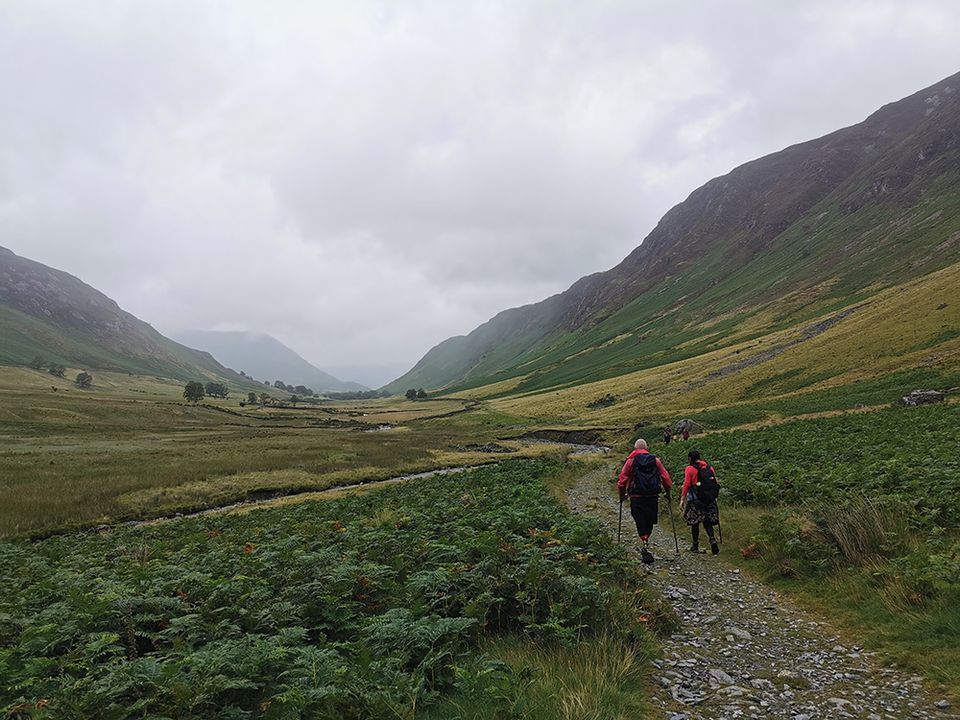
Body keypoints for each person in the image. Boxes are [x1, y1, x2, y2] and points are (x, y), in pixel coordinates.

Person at [618, 438, 672, 564]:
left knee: (639, 518)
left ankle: (644, 539)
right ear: (646, 448)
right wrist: (668, 494)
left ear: (635, 448)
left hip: (636, 496)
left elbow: (622, 481)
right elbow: (666, 479)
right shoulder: (656, 461)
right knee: (650, 520)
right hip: (652, 496)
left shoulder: (631, 461)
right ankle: (646, 539)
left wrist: (622, 495)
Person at [679, 449, 720, 555]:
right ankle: (712, 539)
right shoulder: (709, 467)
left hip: (695, 500)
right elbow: (716, 481)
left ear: (690, 458)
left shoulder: (689, 469)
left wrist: (682, 499)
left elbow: (687, 484)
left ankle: (695, 545)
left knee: (695, 523)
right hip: (709, 499)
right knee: (707, 521)